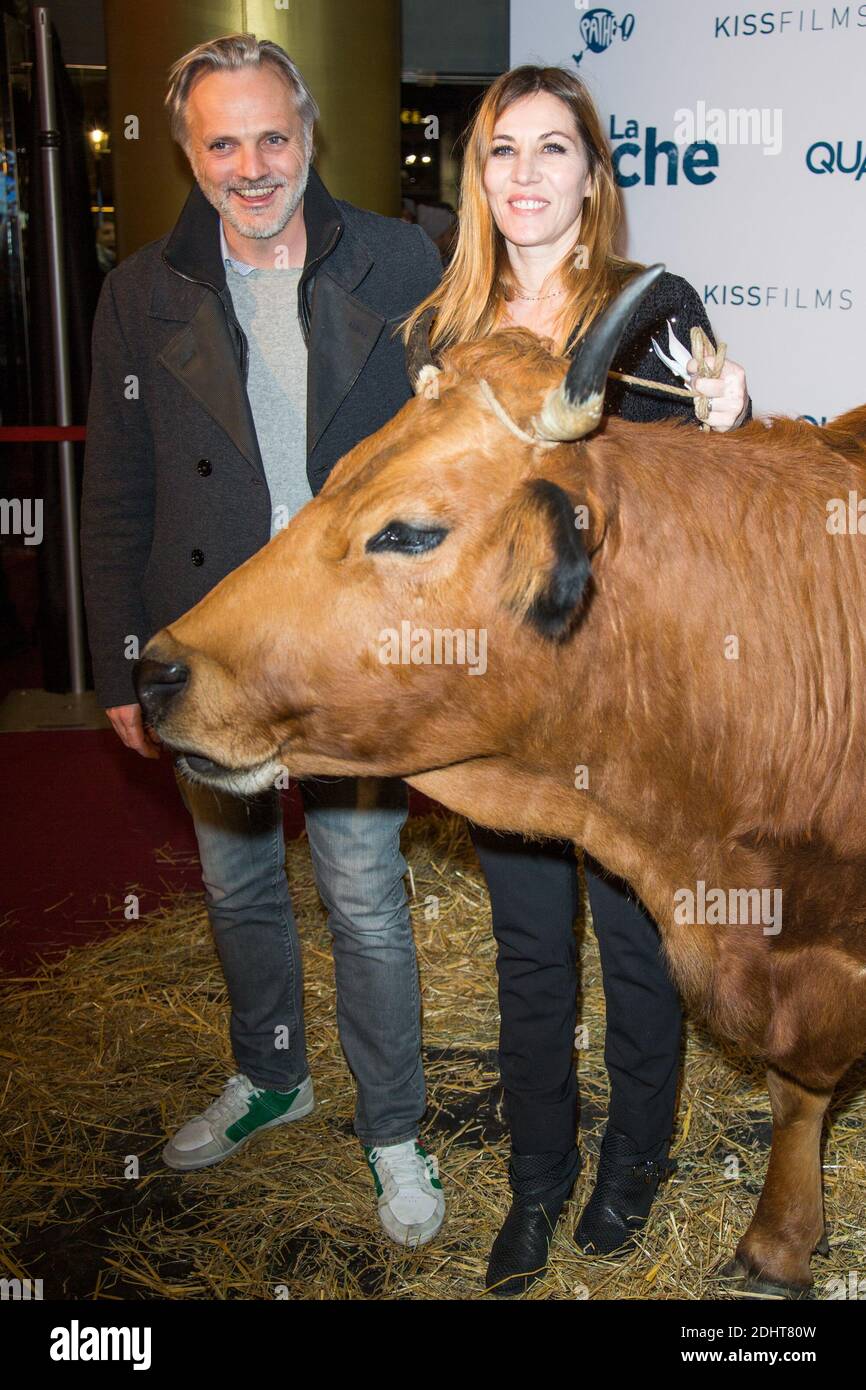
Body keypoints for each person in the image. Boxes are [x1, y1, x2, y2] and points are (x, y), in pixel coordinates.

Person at [80, 33, 447, 1249]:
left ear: (309, 138)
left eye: (271, 137)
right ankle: (274, 1079)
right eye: (221, 142)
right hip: (216, 645)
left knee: (362, 894)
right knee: (239, 887)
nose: (251, 165)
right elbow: (117, 491)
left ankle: (392, 1129)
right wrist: (120, 656)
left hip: (347, 652)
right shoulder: (141, 291)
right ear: (188, 151)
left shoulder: (400, 260)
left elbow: (452, 470)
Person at [403, 64, 752, 1295]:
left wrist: (723, 429)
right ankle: (537, 1175)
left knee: (636, 940)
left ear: (592, 179)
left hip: (621, 700)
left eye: (553, 151)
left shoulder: (652, 312)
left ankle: (635, 1160)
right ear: (477, 177)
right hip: (501, 704)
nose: (526, 175)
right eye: (503, 151)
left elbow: (685, 530)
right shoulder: (441, 330)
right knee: (527, 951)